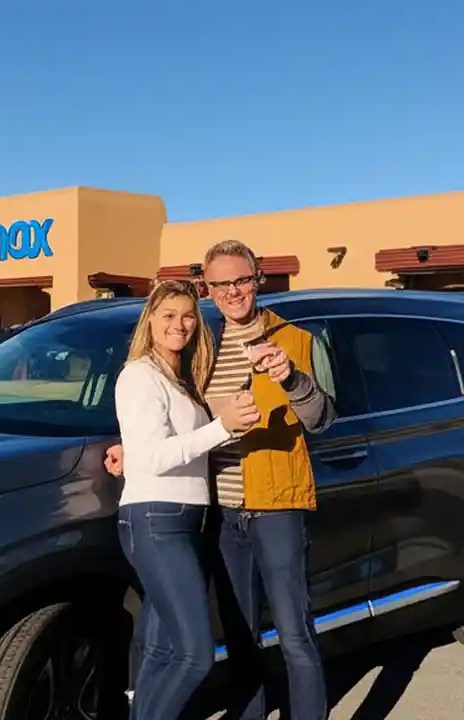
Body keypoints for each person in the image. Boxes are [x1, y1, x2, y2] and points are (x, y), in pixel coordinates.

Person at [106, 240, 337, 720]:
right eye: (220, 284)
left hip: (276, 507)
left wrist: (292, 378)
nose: (233, 291)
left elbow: (322, 418)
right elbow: (173, 416)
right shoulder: (202, 349)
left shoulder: (297, 339)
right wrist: (132, 447)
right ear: (208, 288)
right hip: (221, 513)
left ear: (258, 280)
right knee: (240, 638)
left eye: (241, 280)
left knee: (295, 635)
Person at [113, 279, 261, 720]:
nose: (180, 325)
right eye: (169, 316)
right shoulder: (138, 375)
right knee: (195, 655)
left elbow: (154, 440)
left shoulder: (177, 378)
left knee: (161, 651)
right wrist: (223, 427)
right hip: (157, 519)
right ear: (150, 321)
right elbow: (153, 456)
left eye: (188, 316)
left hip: (188, 523)